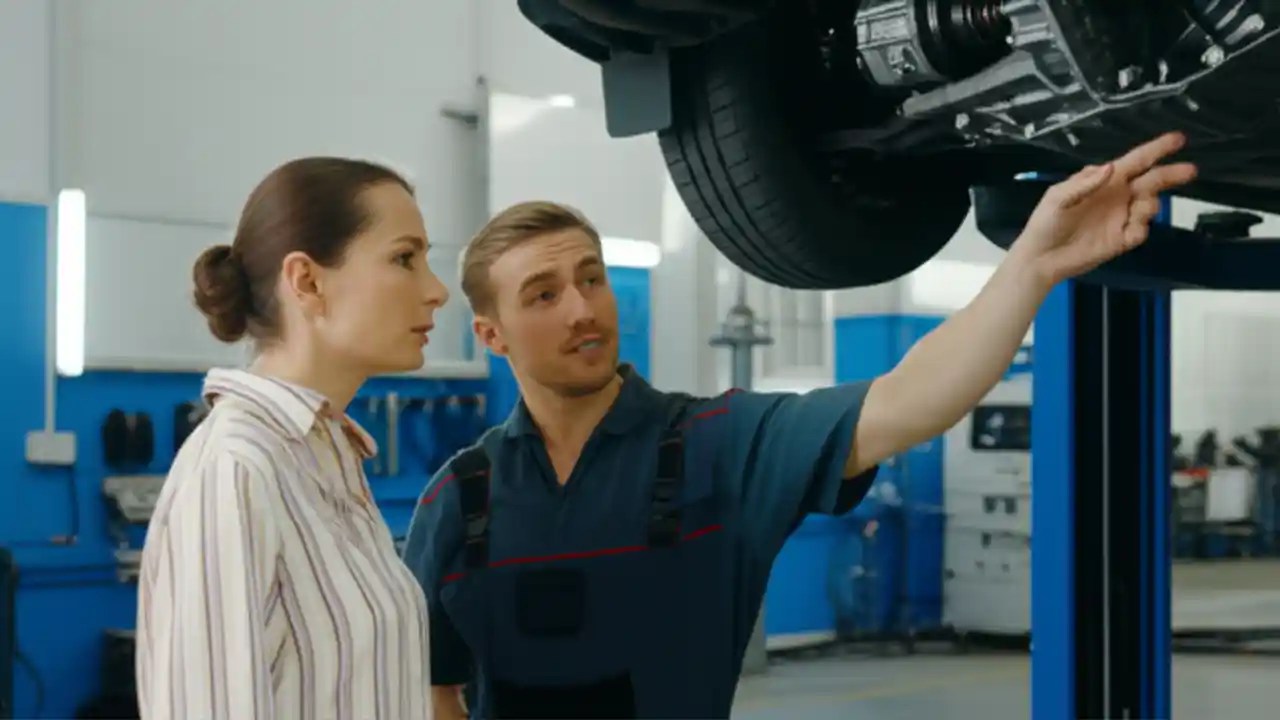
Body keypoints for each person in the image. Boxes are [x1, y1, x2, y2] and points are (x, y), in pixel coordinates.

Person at [401, 132, 1198, 719]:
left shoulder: (714, 445)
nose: (582, 310)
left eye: (592, 279)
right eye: (543, 295)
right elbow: (434, 685)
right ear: (492, 334)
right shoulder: (459, 499)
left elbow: (907, 399)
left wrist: (1032, 264)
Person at [136, 157, 450, 719]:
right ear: (307, 281)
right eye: (405, 258)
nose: (436, 291)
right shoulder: (237, 468)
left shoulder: (324, 456)